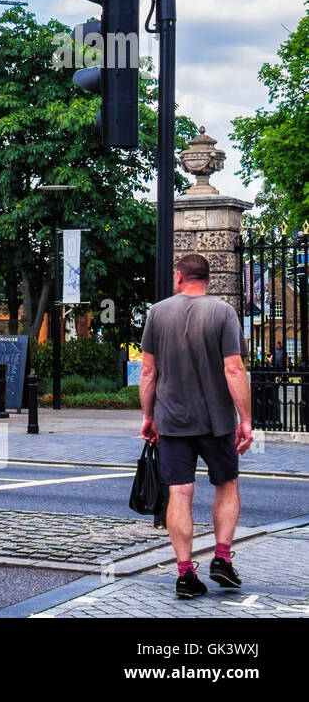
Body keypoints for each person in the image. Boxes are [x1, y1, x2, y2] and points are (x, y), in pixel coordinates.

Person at [140, 253, 253, 600]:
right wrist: (246, 419)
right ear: (208, 279)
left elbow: (148, 372)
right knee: (227, 484)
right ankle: (221, 558)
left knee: (180, 492)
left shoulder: (158, 314)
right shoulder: (223, 313)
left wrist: (148, 416)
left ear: (179, 277)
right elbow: (234, 369)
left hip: (173, 421)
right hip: (217, 421)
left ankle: (185, 573)